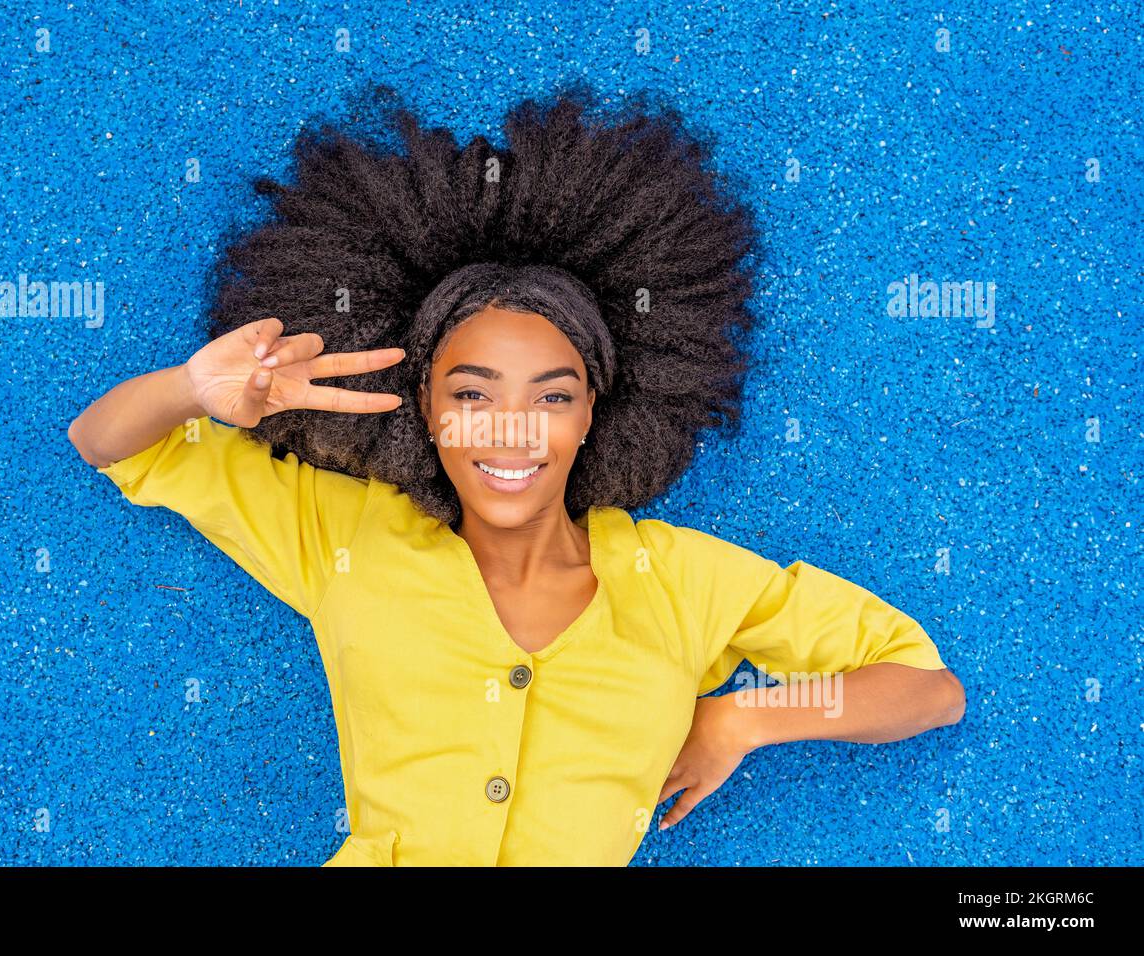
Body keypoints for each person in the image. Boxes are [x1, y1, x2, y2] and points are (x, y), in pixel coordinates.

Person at [68, 87, 966, 866]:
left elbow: (924, 684)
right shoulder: (345, 536)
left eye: (551, 396)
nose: (509, 428)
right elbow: (109, 441)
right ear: (423, 407)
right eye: (471, 391)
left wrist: (746, 719)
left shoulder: (684, 582)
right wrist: (190, 387)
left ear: (592, 415)